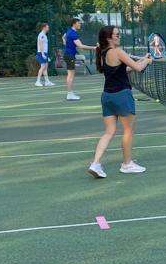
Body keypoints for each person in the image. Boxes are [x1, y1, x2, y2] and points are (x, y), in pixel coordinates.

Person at [88, 26, 152, 178]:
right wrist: (147, 61)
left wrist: (144, 59)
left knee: (109, 132)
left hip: (107, 97)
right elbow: (138, 68)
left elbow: (124, 69)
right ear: (109, 38)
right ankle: (127, 164)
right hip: (122, 95)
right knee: (128, 130)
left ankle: (95, 163)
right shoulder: (118, 51)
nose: (119, 36)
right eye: (116, 35)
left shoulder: (103, 53)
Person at [62, 17, 96, 101]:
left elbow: (64, 38)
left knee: (70, 75)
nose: (80, 24)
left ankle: (70, 93)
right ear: (74, 24)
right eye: (79, 23)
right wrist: (94, 48)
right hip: (69, 55)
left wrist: (66, 43)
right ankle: (69, 94)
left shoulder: (69, 31)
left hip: (69, 55)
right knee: (70, 75)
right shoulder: (73, 33)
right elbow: (80, 46)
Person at [34, 22, 54, 88]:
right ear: (44, 28)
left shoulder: (44, 35)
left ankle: (47, 81)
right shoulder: (41, 35)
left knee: (45, 68)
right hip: (41, 53)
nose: (48, 28)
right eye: (47, 27)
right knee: (43, 67)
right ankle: (37, 81)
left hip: (45, 53)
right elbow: (40, 44)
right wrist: (42, 54)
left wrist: (46, 55)